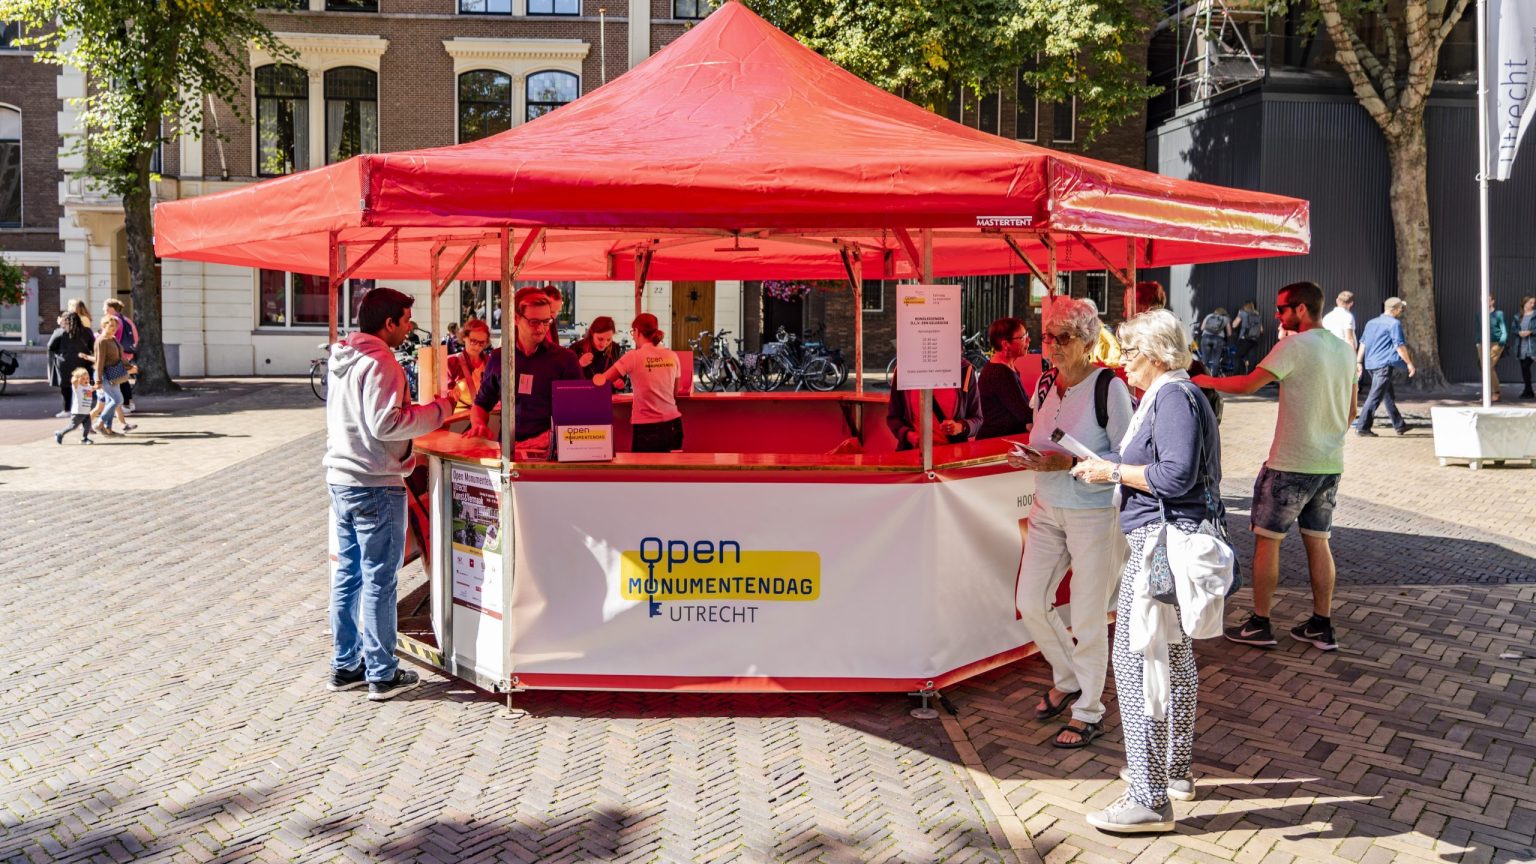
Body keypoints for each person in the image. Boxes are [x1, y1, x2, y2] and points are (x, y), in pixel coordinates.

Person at [1072, 309, 1221, 833]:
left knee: (1137, 665)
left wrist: (1110, 471)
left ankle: (1147, 796)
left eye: (1130, 354)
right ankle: (1170, 774)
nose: (1123, 364)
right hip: (1168, 542)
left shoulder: (1174, 397)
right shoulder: (1177, 394)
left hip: (1159, 546)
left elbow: (1176, 474)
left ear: (1157, 354)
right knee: (1172, 660)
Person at [1193, 280, 1356, 653]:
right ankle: (1321, 624)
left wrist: (1204, 380)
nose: (1277, 314)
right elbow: (1351, 413)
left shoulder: (1293, 346)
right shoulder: (1344, 351)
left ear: (1301, 309)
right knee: (1319, 542)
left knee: (1268, 540)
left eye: (1282, 308)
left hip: (1289, 462)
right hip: (1329, 464)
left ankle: (1261, 622)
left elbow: (1249, 385)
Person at [1007, 296, 1133, 749]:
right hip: (1047, 509)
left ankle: (1089, 709)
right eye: (1047, 336)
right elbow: (1042, 438)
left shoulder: (1108, 388)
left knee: (1087, 613)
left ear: (1086, 341)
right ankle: (1069, 677)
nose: (1053, 346)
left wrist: (1067, 465)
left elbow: (1128, 459)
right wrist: (1032, 458)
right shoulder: (1044, 383)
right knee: (1030, 601)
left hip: (1094, 513)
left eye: (1063, 338)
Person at [323, 287, 454, 701]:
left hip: (342, 478)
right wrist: (438, 411)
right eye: (406, 319)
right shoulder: (381, 362)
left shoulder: (343, 357)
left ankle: (346, 665)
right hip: (375, 482)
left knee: (348, 575)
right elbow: (386, 424)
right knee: (380, 579)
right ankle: (382, 673)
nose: (410, 327)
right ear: (390, 323)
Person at [465, 287, 583, 448]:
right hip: (507, 455)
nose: (541, 329)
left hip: (549, 456)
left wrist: (542, 441)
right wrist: (479, 424)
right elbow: (482, 403)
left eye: (546, 322)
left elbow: (577, 415)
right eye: (534, 322)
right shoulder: (500, 357)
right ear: (515, 318)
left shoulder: (565, 359)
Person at [594, 313, 684, 452]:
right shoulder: (672, 355)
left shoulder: (633, 356)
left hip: (646, 427)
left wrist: (588, 372)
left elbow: (602, 380)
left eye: (632, 332)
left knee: (645, 472)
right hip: (673, 424)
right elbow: (675, 392)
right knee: (670, 472)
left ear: (637, 331)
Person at [886, 360, 982, 450]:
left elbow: (977, 419)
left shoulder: (964, 370)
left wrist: (960, 427)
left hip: (953, 456)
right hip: (915, 454)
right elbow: (893, 417)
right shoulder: (904, 370)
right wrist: (908, 435)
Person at [1354, 297, 1416, 436]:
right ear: (1394, 309)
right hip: (1384, 364)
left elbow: (1363, 343)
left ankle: (1399, 425)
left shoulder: (1371, 323)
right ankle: (1362, 427)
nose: (1401, 310)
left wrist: (1359, 362)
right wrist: (1409, 363)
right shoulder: (1394, 324)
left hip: (1371, 364)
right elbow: (1399, 345)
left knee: (1387, 394)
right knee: (1375, 395)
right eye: (1400, 308)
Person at [976, 317, 1034, 441]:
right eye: (1023, 337)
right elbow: (1025, 414)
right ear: (1005, 344)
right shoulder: (1000, 373)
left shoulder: (1006, 367)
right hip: (995, 442)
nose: (1029, 340)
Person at [47, 312, 95, 418]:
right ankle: (83, 409)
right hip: (83, 362)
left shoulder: (60, 332)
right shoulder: (86, 331)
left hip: (64, 363)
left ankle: (67, 410)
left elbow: (50, 346)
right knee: (84, 386)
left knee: (66, 387)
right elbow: (93, 346)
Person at [90, 316, 131, 437]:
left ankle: (108, 429)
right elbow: (99, 362)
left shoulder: (112, 339)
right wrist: (98, 380)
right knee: (117, 400)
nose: (114, 328)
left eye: (116, 326)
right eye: (111, 325)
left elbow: (120, 356)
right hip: (105, 375)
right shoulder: (101, 341)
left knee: (112, 402)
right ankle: (99, 423)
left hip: (115, 374)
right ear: (103, 326)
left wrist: (129, 367)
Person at [445, 318, 491, 410]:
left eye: (482, 343)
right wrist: (450, 392)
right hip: (459, 418)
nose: (477, 346)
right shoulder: (452, 362)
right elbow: (444, 391)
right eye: (473, 341)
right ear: (464, 337)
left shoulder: (490, 362)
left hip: (486, 415)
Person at [104, 299, 139, 413]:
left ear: (111, 308)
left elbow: (112, 338)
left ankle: (125, 404)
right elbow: (135, 338)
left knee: (121, 380)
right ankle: (128, 403)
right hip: (127, 353)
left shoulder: (114, 321)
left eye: (105, 308)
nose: (104, 310)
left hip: (118, 355)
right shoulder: (126, 319)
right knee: (123, 379)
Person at [573, 316, 622, 384]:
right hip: (583, 391)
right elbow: (566, 376)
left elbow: (622, 373)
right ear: (592, 333)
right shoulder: (577, 348)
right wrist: (579, 364)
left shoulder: (615, 348)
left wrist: (620, 381)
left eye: (609, 339)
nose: (604, 344)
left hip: (608, 392)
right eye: (600, 339)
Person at [54, 368, 96, 445]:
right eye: (83, 379)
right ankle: (60, 433)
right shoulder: (77, 387)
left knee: (87, 426)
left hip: (86, 412)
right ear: (78, 380)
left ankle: (84, 439)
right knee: (73, 426)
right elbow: (73, 381)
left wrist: (99, 385)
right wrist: (75, 377)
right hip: (78, 412)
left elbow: (94, 387)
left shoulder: (88, 386)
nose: (86, 380)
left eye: (87, 378)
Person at [1482, 295, 1510, 403]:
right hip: (1483, 344)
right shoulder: (1481, 313)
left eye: (1488, 300)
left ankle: (1496, 392)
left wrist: (1501, 343)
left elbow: (1503, 330)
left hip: (1496, 343)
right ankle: (1490, 392)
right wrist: (1477, 342)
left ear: (1492, 301)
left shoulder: (1498, 314)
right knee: (1488, 368)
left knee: (1488, 367)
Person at [1233, 300, 1264, 375]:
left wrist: (1238, 315)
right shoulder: (1257, 316)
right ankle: (1250, 378)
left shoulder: (1243, 313)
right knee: (1251, 360)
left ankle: (1236, 376)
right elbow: (1261, 330)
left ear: (1245, 307)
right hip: (1254, 341)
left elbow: (1234, 325)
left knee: (1237, 357)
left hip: (1244, 340)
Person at [1197, 307, 1231, 373]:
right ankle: (1214, 377)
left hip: (1206, 337)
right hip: (1218, 339)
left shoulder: (1209, 316)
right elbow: (1229, 333)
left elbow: (1202, 328)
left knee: (1204, 359)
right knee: (1216, 359)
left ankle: (1203, 375)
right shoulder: (1226, 319)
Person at [1517, 296, 1536, 400]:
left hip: (1533, 346)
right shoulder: (1518, 316)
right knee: (1525, 369)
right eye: (1530, 302)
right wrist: (1518, 333)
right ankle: (1528, 391)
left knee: (1526, 368)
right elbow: (1514, 329)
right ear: (1524, 303)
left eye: (1534, 303)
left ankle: (1528, 391)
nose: (1532, 305)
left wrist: (1531, 332)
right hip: (1522, 348)